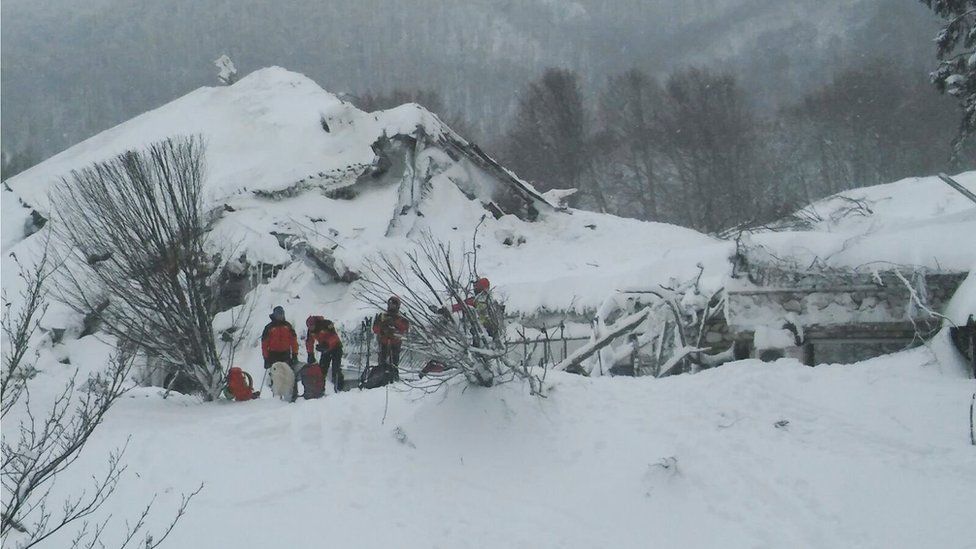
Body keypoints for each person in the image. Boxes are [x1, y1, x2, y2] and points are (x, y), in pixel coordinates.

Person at [306, 317, 344, 392]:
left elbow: (334, 337)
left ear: (315, 324)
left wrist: (326, 344)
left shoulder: (325, 324)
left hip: (336, 348)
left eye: (312, 326)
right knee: (321, 370)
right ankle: (320, 390)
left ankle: (339, 389)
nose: (311, 328)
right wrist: (310, 354)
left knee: (336, 369)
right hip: (325, 350)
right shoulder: (310, 331)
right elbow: (309, 342)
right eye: (309, 327)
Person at [373, 296, 409, 367]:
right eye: (390, 304)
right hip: (383, 343)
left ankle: (393, 375)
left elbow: (405, 329)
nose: (391, 306)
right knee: (381, 364)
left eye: (393, 305)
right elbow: (375, 329)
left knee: (394, 364)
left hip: (395, 343)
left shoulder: (401, 319)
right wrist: (383, 327)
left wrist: (395, 323)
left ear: (397, 306)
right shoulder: (382, 316)